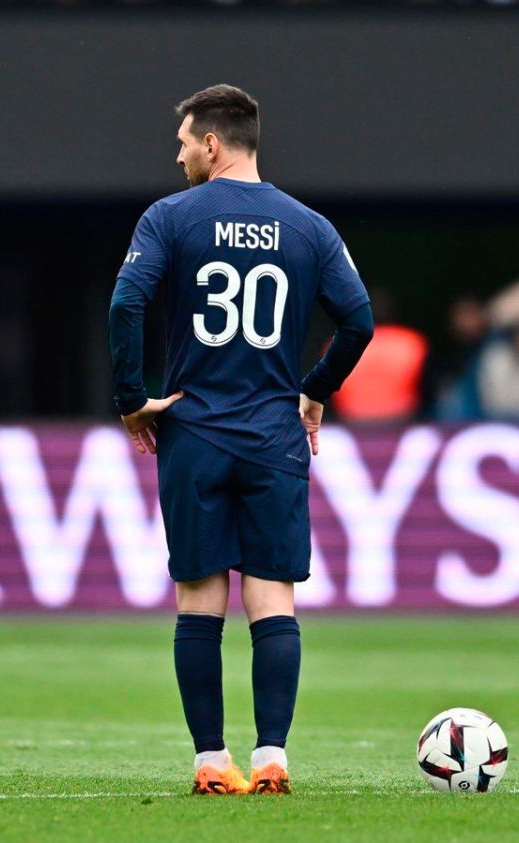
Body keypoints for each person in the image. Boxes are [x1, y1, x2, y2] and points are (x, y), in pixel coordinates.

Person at [107, 85, 372, 796]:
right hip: (272, 433)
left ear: (214, 144)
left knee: (199, 596)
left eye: (186, 141)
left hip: (193, 430)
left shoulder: (169, 217)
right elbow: (359, 321)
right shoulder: (310, 226)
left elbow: (127, 301)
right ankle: (273, 757)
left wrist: (133, 398)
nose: (180, 153)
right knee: (272, 598)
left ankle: (209, 761)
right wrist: (314, 389)